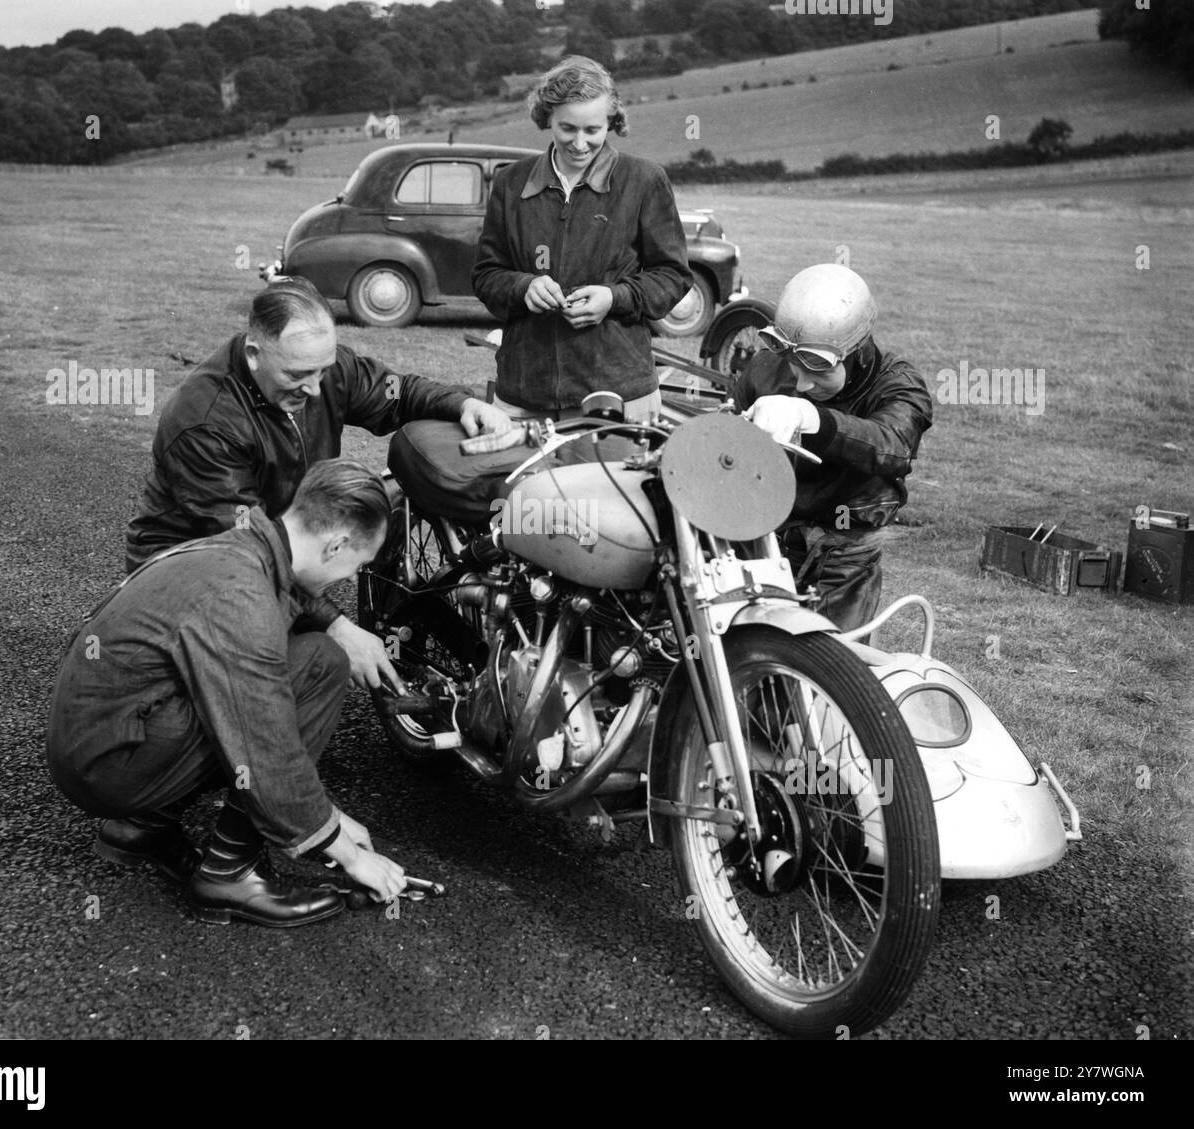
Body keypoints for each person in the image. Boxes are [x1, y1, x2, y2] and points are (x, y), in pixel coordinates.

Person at [48, 460, 409, 927]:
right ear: (336, 544)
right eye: (357, 564)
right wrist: (340, 845)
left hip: (103, 736)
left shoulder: (244, 546)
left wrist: (329, 815)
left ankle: (144, 828)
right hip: (108, 766)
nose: (348, 577)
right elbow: (265, 743)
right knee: (316, 670)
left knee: (309, 659)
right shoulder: (242, 597)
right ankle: (228, 874)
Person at [125, 278, 513, 686]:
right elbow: (247, 549)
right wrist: (337, 627)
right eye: (298, 374)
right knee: (291, 675)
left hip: (285, 537)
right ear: (254, 355)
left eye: (322, 370)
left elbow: (398, 391)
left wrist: (465, 404)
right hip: (196, 562)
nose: (314, 388)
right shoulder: (205, 423)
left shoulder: (324, 372)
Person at [472, 55, 692, 424]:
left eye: (592, 130)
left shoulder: (644, 181)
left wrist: (614, 297)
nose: (579, 143)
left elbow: (673, 275)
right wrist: (523, 287)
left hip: (619, 395)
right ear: (547, 119)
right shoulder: (510, 184)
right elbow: (486, 275)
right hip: (525, 393)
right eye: (567, 128)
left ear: (612, 122)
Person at [737, 264, 933, 631]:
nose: (802, 382)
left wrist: (811, 418)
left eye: (819, 371)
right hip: (764, 541)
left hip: (843, 553)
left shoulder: (898, 385)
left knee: (832, 671)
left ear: (856, 353)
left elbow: (891, 446)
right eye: (794, 364)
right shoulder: (765, 369)